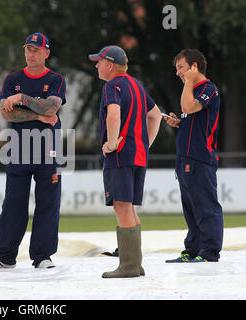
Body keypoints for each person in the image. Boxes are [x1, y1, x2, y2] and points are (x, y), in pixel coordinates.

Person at [0, 33, 66, 270]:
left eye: (36, 50)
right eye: (28, 49)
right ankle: (4, 257)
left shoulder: (56, 79)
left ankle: (43, 256)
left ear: (46, 53)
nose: (31, 54)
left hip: (48, 146)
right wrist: (38, 114)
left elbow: (52, 106)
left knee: (48, 202)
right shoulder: (12, 79)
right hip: (18, 146)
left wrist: (20, 98)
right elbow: (7, 113)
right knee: (14, 202)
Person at [88, 45, 161, 278]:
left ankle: (128, 266)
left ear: (110, 65)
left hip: (120, 155)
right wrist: (145, 143)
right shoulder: (136, 85)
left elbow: (114, 114)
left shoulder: (113, 86)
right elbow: (155, 115)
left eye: (99, 61)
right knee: (128, 207)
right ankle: (135, 264)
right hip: (138, 154)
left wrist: (111, 143)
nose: (96, 65)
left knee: (121, 206)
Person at [164, 49, 223, 263]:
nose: (178, 73)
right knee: (190, 207)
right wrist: (179, 121)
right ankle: (192, 250)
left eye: (181, 67)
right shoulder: (191, 91)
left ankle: (209, 252)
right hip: (185, 157)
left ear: (194, 67)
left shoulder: (208, 88)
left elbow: (188, 106)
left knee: (205, 206)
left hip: (200, 157)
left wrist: (189, 82)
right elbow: (190, 115)